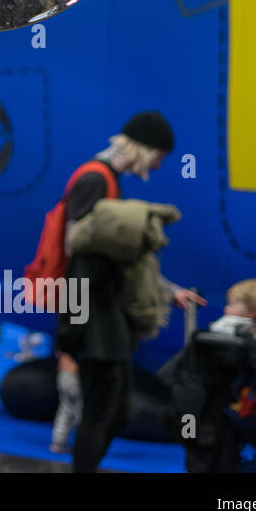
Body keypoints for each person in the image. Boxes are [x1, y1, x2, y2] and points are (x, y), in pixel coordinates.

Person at [54, 111, 205, 472]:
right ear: (144, 149)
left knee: (114, 411)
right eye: (159, 156)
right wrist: (71, 331)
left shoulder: (107, 180)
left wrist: (165, 290)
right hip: (94, 322)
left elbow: (115, 260)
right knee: (101, 412)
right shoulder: (96, 180)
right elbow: (78, 259)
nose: (158, 165)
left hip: (106, 318)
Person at [160, 278, 256, 472]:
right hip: (233, 422)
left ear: (251, 313)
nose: (225, 309)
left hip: (201, 418)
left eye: (232, 305)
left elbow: (189, 390)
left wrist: (185, 430)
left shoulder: (209, 341)